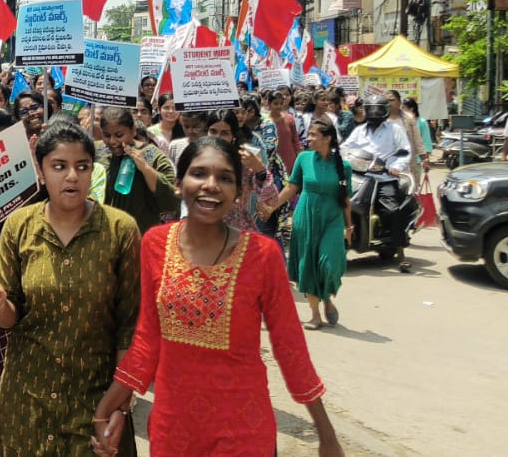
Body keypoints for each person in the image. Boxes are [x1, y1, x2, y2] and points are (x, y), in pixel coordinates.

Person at [91, 137, 343, 457]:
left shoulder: (262, 256)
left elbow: (290, 347)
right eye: (199, 174)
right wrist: (107, 408)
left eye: (225, 178)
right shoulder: (155, 244)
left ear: (238, 193)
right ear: (180, 184)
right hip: (173, 430)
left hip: (243, 430)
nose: (211, 185)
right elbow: (147, 340)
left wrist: (327, 435)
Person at [0, 120, 141, 457]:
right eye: (59, 166)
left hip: (94, 399)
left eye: (82, 166)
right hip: (26, 401)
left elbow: (129, 328)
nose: (72, 176)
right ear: (40, 170)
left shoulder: (120, 230)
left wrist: (119, 405)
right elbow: (10, 318)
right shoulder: (19, 226)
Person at [261, 119, 352, 330]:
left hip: (332, 219)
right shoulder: (303, 159)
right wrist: (271, 207)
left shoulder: (343, 166)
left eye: (313, 135)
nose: (308, 138)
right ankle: (315, 314)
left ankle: (327, 298)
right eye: (308, 134)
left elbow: (346, 200)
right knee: (307, 265)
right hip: (306, 217)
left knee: (327, 264)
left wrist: (349, 227)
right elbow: (291, 188)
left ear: (327, 138)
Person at [340, 94, 415, 271]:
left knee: (392, 211)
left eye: (377, 109)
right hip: (360, 176)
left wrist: (395, 167)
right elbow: (346, 147)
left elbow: (404, 151)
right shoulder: (359, 130)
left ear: (384, 111)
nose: (374, 113)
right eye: (370, 109)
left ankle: (401, 252)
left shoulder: (394, 129)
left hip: (384, 178)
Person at [95, 106, 178, 233]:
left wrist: (145, 168)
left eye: (119, 135)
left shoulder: (154, 157)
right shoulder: (98, 152)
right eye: (106, 135)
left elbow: (171, 202)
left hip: (138, 236)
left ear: (133, 131)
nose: (112, 141)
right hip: (103, 236)